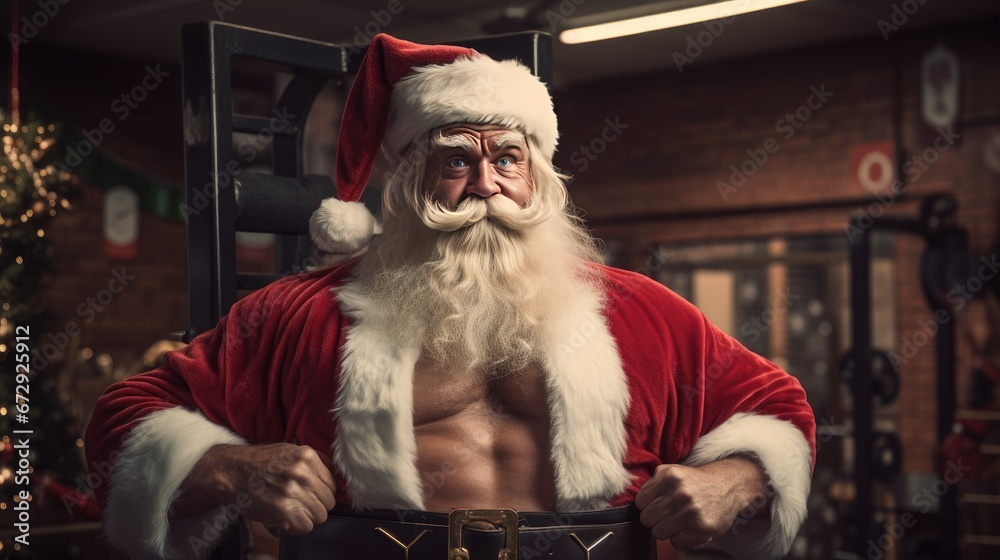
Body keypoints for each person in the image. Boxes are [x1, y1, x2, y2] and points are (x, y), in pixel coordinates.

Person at [85, 34, 816, 560]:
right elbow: (125, 417)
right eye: (457, 160)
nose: (487, 184)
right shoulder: (297, 316)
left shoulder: (642, 314)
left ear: (540, 180)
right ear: (407, 181)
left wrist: (733, 478)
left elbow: (778, 410)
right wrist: (229, 469)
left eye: (507, 159)